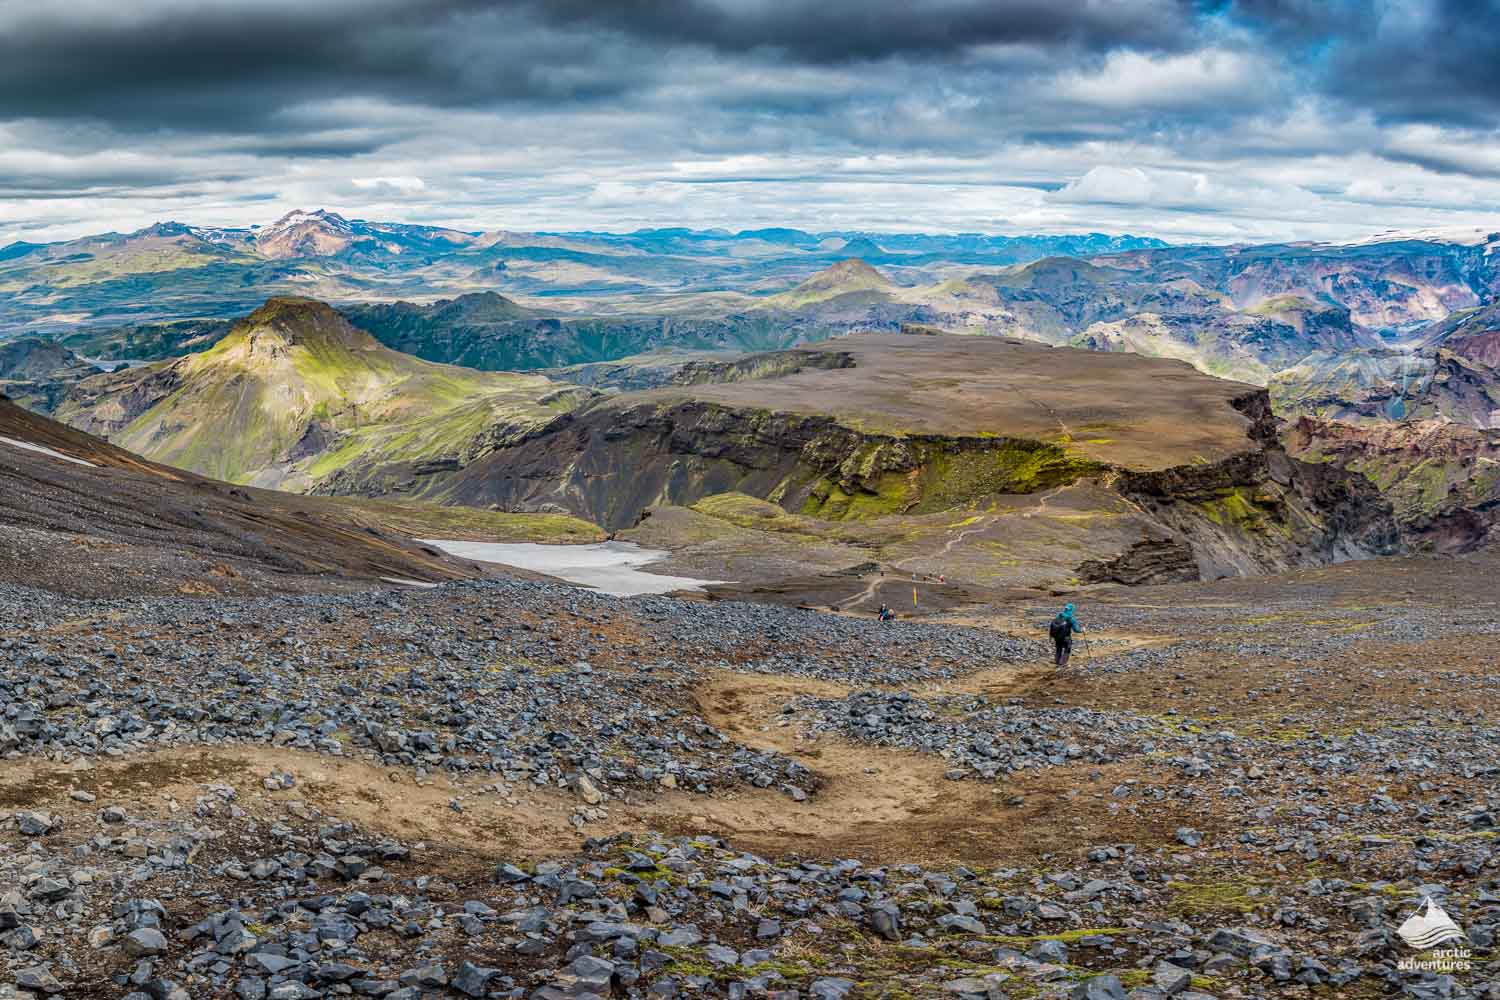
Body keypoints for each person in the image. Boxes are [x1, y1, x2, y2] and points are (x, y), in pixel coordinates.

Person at [1048, 602, 1084, 668]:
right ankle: (1062, 663)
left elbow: (1053, 625)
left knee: (1059, 648)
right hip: (1066, 637)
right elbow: (1076, 630)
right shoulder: (1071, 618)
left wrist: (1050, 636)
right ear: (1072, 610)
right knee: (1067, 649)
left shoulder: (1059, 615)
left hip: (1057, 637)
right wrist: (1082, 630)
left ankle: (1057, 661)